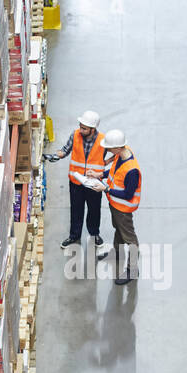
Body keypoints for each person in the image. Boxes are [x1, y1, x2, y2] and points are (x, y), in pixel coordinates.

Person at [46, 110, 110, 254]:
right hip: (76, 182)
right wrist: (54, 155)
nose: (81, 130)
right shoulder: (75, 135)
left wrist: (105, 165)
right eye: (80, 126)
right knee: (76, 210)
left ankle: (94, 234)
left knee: (94, 210)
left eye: (84, 128)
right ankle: (74, 236)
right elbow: (65, 150)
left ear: (93, 129)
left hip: (93, 183)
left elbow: (112, 154)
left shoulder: (103, 139)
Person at [98, 129, 141, 285]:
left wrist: (106, 189)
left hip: (123, 209)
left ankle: (133, 269)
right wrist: (100, 175)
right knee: (119, 230)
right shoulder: (122, 153)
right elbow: (115, 171)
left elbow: (128, 195)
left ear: (117, 148)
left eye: (109, 148)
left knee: (130, 239)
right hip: (115, 204)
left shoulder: (132, 171)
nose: (107, 151)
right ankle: (117, 254)